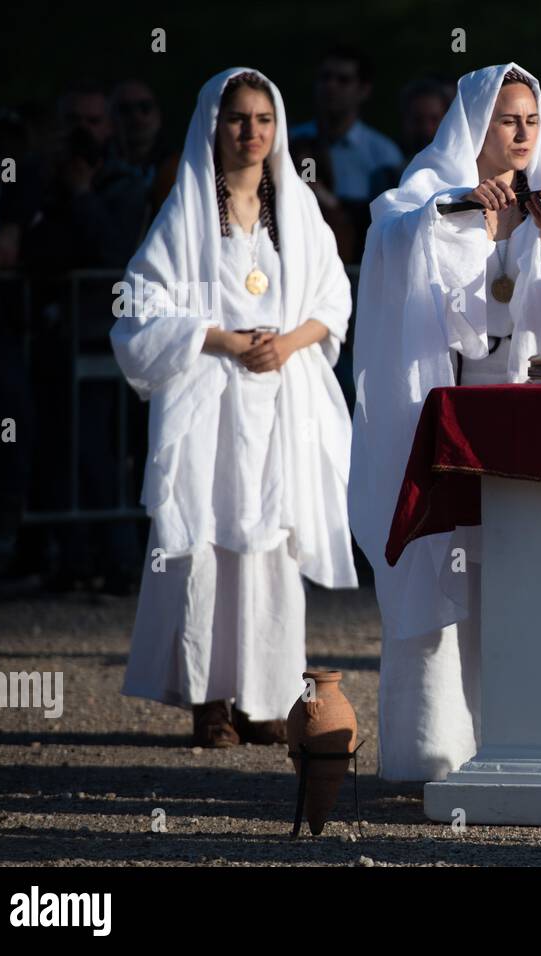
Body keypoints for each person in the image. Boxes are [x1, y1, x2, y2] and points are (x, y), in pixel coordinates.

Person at [349, 63, 541, 783]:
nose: (523, 133)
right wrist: (468, 221)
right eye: (507, 120)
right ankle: (433, 754)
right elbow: (393, 234)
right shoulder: (430, 193)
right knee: (442, 568)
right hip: (443, 412)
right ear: (475, 125)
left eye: (532, 120)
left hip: (523, 419)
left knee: (519, 575)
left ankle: (525, 748)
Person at [111, 68, 358, 747]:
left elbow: (333, 297)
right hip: (212, 400)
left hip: (278, 403)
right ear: (214, 127)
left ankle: (268, 698)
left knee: (271, 546)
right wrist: (217, 337)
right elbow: (139, 305)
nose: (251, 132)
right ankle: (211, 700)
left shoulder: (296, 209)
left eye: (263, 119)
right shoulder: (187, 210)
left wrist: (289, 344)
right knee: (210, 543)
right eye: (238, 119)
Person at [289, 45, 403, 214]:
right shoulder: (291, 142)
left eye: (343, 80)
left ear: (364, 90)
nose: (331, 86)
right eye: (324, 77)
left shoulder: (383, 154)